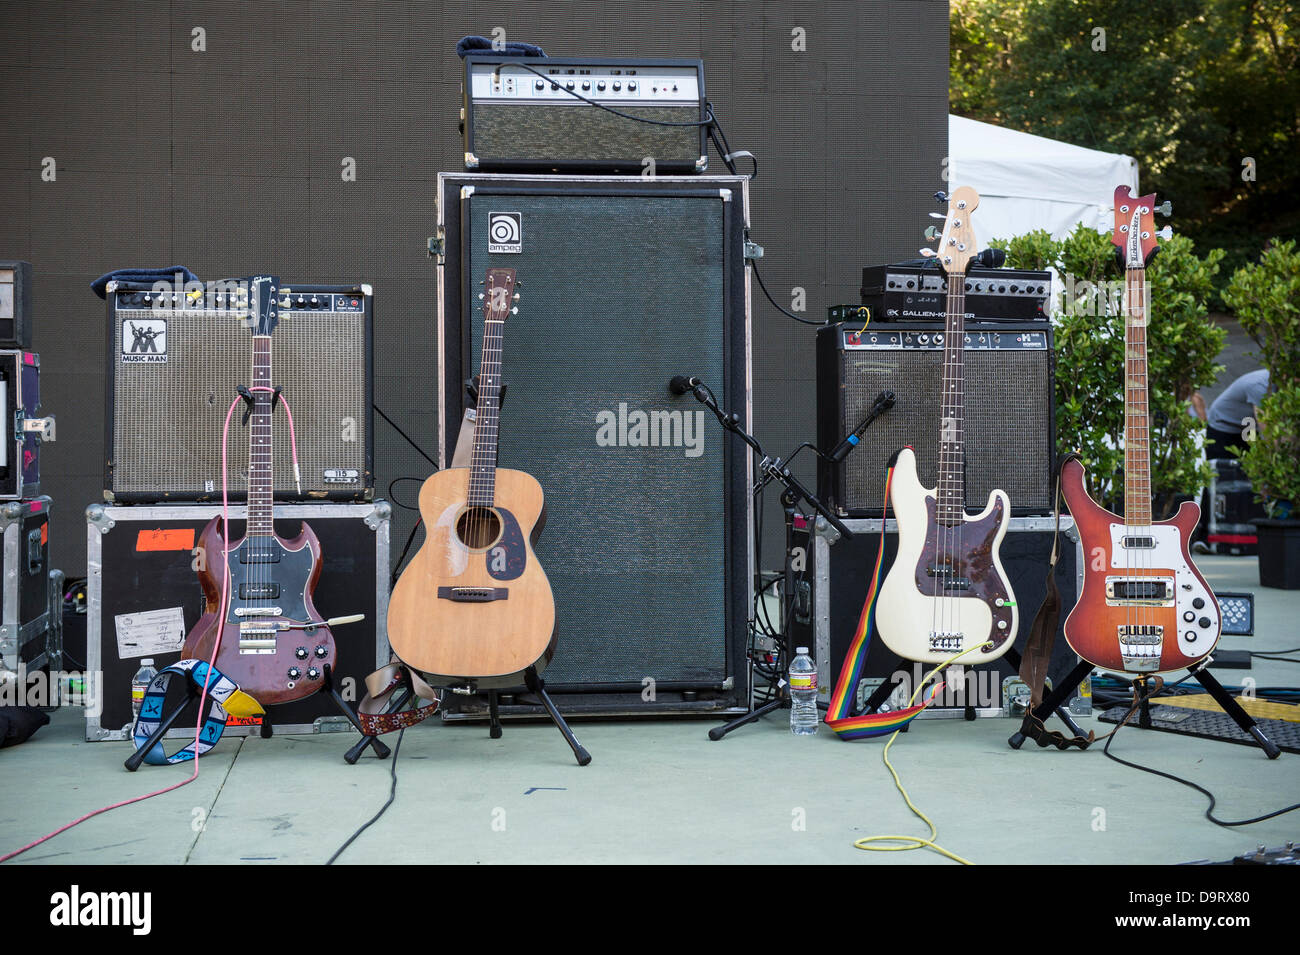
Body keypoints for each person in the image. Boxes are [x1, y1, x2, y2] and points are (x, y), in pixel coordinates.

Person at [1205, 369, 1270, 459]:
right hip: (1223, 424)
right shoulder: (1259, 386)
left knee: (1253, 460)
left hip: (1248, 423)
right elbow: (1267, 430)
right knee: (1226, 468)